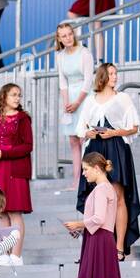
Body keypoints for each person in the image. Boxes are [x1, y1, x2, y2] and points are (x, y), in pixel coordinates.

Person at [75, 63, 140, 260]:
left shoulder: (123, 98)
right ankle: (96, 248)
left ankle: (119, 247)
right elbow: (81, 130)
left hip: (116, 148)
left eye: (116, 73)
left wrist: (114, 132)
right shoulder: (90, 101)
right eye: (111, 73)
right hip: (96, 147)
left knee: (118, 197)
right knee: (95, 199)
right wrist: (91, 133)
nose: (115, 77)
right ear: (103, 76)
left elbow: (134, 127)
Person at [65, 152, 122, 278]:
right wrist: (81, 228)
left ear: (97, 169)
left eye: (86, 170)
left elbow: (97, 219)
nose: (83, 174)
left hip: (99, 237)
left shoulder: (101, 189)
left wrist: (78, 224)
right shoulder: (106, 189)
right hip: (99, 237)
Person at [0, 83, 33, 266]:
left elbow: (28, 146)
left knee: (15, 213)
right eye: (13, 95)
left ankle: (16, 255)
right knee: (1, 213)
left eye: (19, 95)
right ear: (3, 97)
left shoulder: (23, 119)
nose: (17, 98)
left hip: (15, 170)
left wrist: (4, 153)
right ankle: (3, 252)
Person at [55, 22, 94, 186]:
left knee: (84, 137)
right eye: (64, 36)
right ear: (59, 39)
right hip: (69, 97)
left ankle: (88, 176)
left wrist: (77, 102)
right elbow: (62, 81)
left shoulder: (85, 53)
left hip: (84, 97)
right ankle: (76, 179)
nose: (68, 38)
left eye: (70, 34)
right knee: (73, 140)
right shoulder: (60, 56)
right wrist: (66, 103)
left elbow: (88, 79)